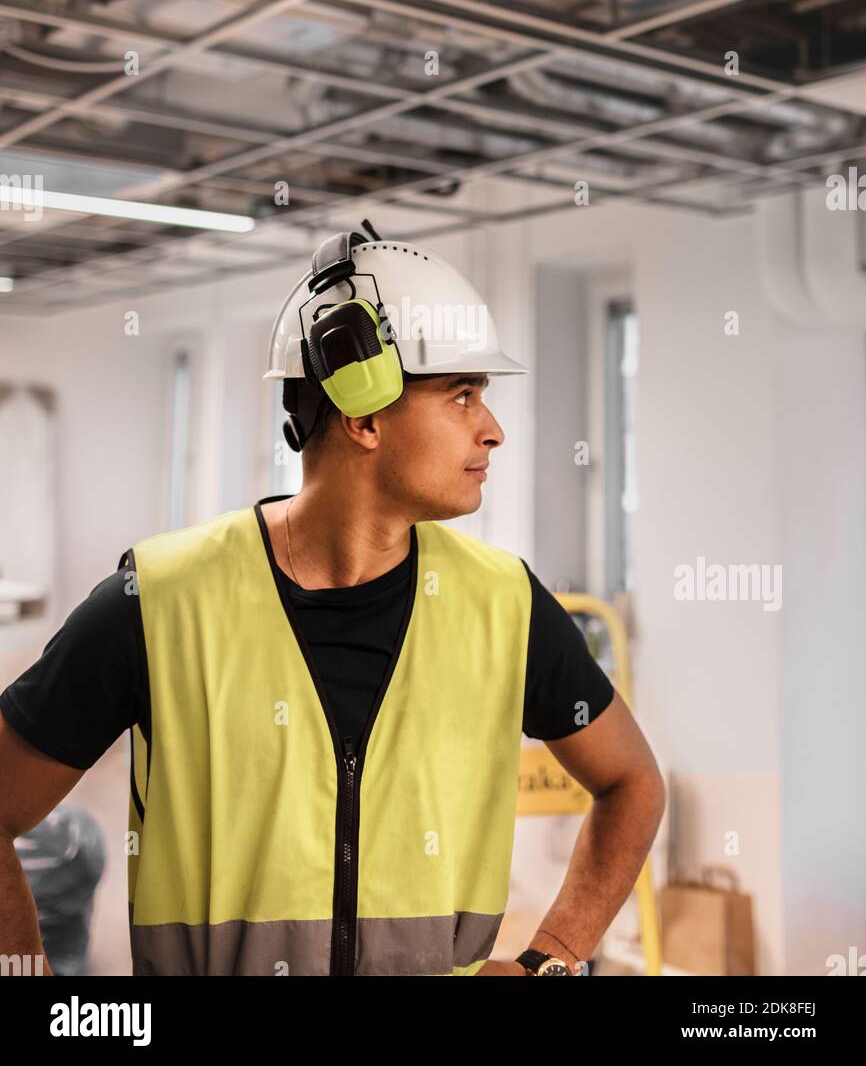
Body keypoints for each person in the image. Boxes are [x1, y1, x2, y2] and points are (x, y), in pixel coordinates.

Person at [0, 223, 665, 977]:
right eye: (463, 395)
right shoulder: (156, 603)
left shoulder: (504, 605)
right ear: (363, 412)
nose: (494, 429)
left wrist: (552, 961)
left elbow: (633, 782)